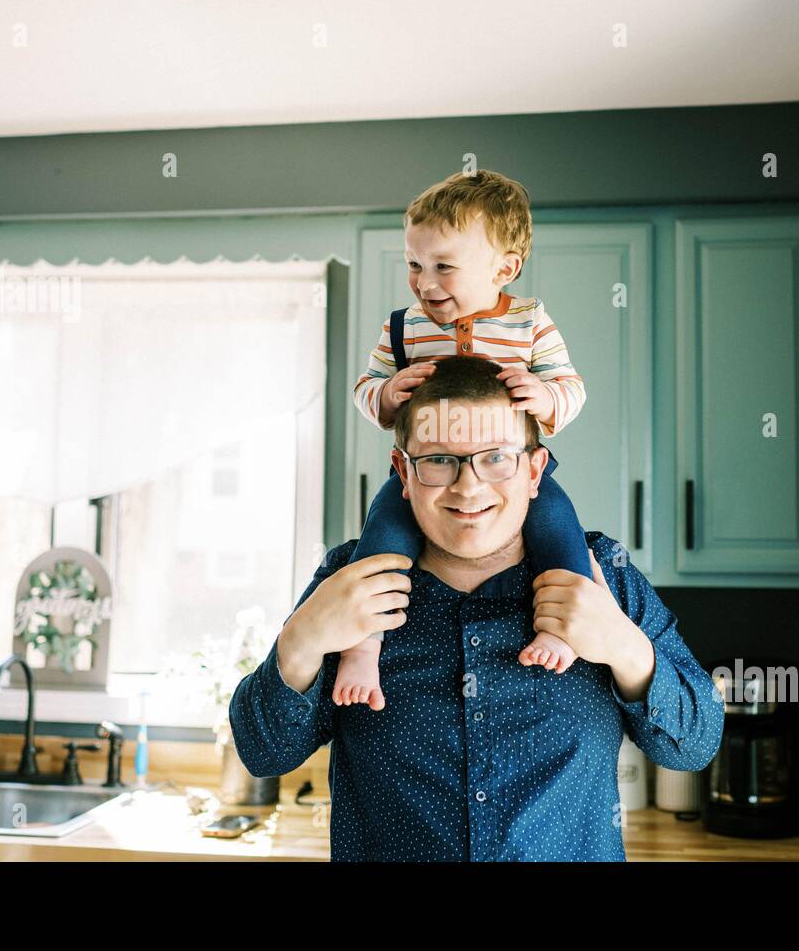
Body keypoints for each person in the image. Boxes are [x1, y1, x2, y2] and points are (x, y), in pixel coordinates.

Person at [228, 356, 724, 861]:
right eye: (439, 459)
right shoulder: (347, 582)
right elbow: (265, 754)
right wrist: (302, 641)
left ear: (534, 470)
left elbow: (694, 745)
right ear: (403, 471)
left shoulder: (604, 577)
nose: (468, 487)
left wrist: (625, 649)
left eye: (496, 458)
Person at [342, 168, 591, 710]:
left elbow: (572, 389)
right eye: (414, 264)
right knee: (380, 541)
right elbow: (364, 390)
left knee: (560, 533)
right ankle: (362, 645)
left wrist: (545, 398)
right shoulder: (402, 328)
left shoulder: (530, 323)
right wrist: (386, 395)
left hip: (515, 468)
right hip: (419, 469)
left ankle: (562, 628)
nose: (425, 283)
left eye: (444, 267)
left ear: (505, 268)